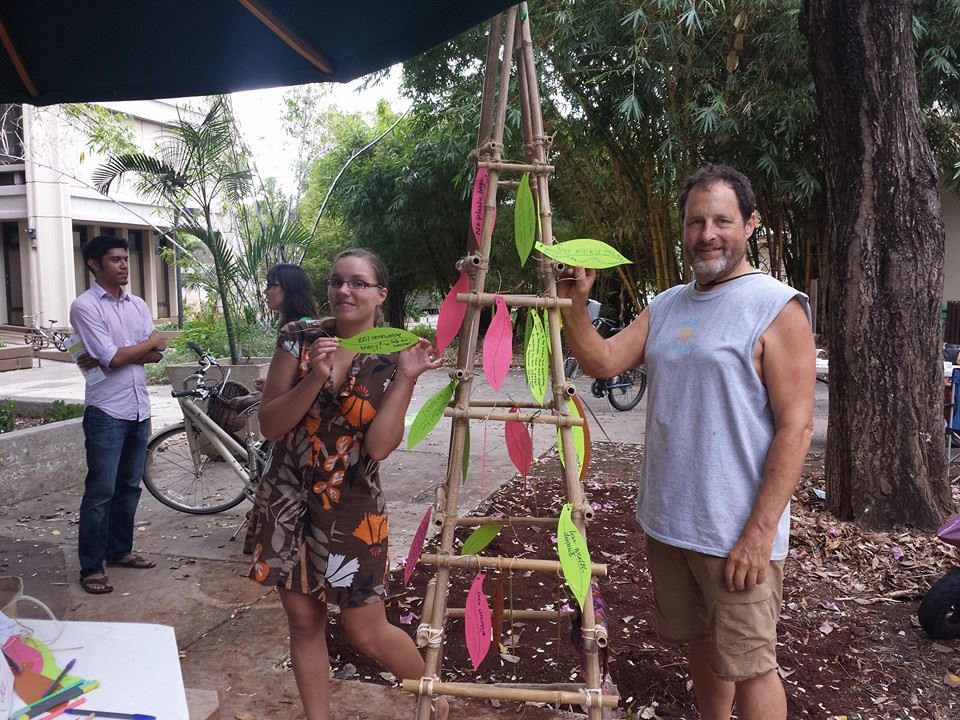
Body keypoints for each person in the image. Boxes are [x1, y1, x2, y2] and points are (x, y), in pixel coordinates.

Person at [557, 164, 815, 720]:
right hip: (672, 524)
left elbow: (797, 427)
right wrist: (574, 303)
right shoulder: (669, 304)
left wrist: (759, 532)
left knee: (751, 665)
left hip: (736, 531)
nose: (707, 233)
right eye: (696, 221)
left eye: (722, 220)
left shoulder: (777, 306)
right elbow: (602, 360)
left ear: (750, 224)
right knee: (700, 644)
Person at [246, 248, 445, 720]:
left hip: (352, 507)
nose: (344, 291)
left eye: (357, 282)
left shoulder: (393, 353)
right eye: (337, 281)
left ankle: (434, 706)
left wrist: (408, 379)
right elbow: (270, 426)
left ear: (381, 294)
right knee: (304, 623)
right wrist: (313, 377)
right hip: (287, 499)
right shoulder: (299, 337)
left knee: (366, 631)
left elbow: (378, 447)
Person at [69, 235, 168, 595]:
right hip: (106, 410)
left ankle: (120, 551)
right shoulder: (85, 306)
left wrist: (127, 353)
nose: (124, 265)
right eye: (115, 259)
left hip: (139, 408)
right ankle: (91, 567)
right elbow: (112, 358)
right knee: (101, 491)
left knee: (129, 486)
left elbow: (154, 356)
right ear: (94, 264)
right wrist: (145, 344)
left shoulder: (137, 304)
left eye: (125, 259)